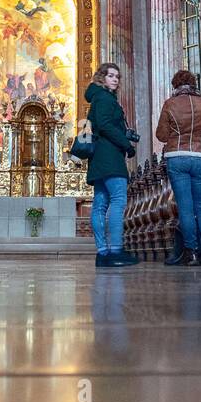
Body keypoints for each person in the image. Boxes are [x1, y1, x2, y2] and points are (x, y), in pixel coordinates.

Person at [155, 70, 201, 265]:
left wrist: (176, 135)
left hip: (177, 156)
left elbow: (161, 134)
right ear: (194, 84)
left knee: (185, 208)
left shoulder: (171, 104)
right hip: (200, 156)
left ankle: (191, 252)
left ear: (175, 85)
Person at [83, 63, 139, 268]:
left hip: (98, 157)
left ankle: (102, 253)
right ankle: (115, 250)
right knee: (118, 200)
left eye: (117, 76)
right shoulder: (105, 98)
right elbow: (105, 125)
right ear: (101, 78)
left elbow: (97, 125)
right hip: (110, 156)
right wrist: (127, 145)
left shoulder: (97, 98)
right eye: (110, 76)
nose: (115, 79)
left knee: (100, 204)